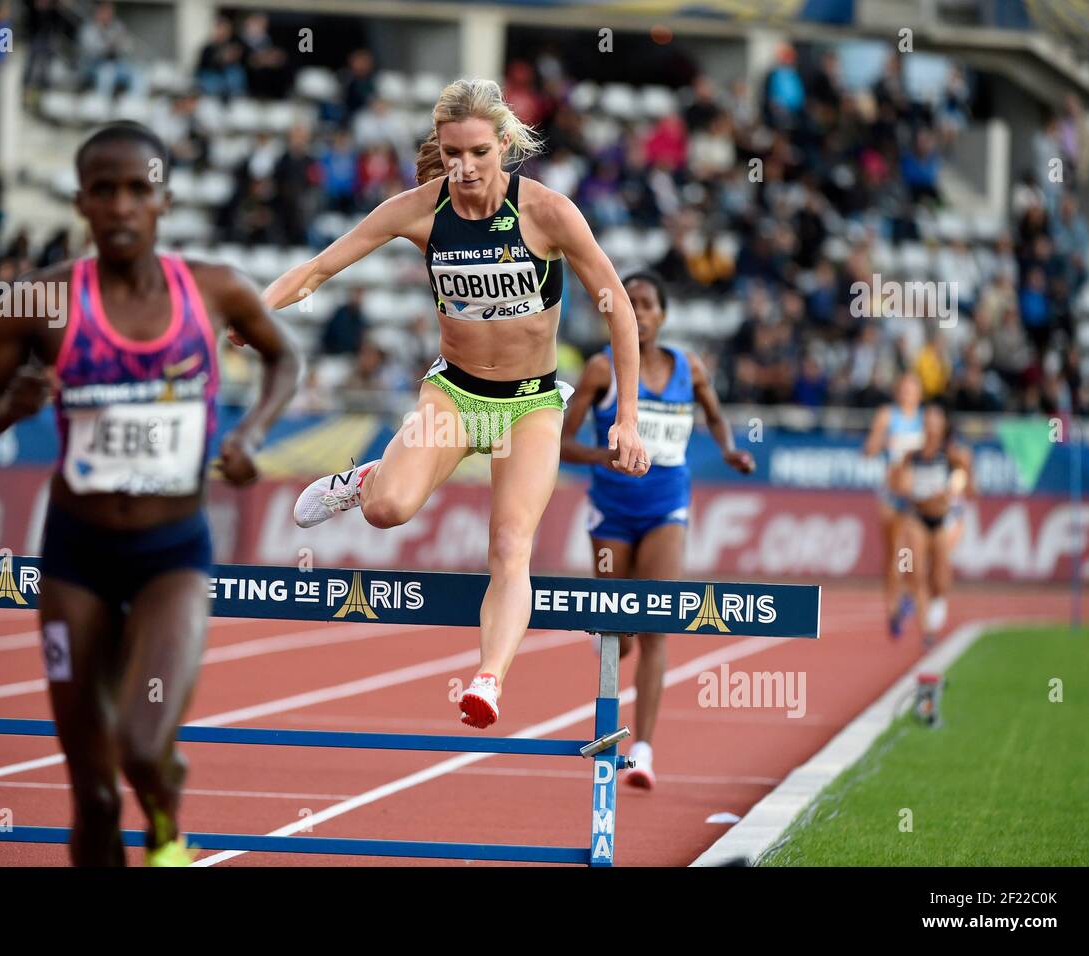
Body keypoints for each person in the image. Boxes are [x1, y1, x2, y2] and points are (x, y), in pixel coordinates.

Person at [0, 122, 302, 866]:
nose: (120, 207)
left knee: (142, 749)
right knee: (97, 798)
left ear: (164, 200)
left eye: (137, 189)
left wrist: (251, 435)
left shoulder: (212, 290)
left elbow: (284, 356)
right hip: (77, 560)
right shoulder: (40, 302)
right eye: (103, 191)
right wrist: (11, 407)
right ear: (80, 202)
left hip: (172, 557)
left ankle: (168, 832)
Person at [265, 78, 649, 729]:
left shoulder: (549, 213)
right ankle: (366, 480)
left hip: (529, 404)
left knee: (509, 545)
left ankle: (489, 681)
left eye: (477, 153)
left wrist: (629, 420)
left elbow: (621, 315)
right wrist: (246, 314)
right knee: (387, 508)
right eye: (451, 155)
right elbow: (320, 269)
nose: (465, 168)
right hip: (455, 393)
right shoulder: (419, 210)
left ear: (504, 144)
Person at [561, 270, 754, 788]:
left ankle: (641, 751)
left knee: (655, 625)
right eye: (631, 304)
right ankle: (613, 644)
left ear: (664, 315)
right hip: (612, 514)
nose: (640, 313)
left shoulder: (689, 368)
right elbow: (562, 444)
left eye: (648, 304)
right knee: (618, 633)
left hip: (668, 507)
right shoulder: (602, 371)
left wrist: (730, 449)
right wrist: (610, 453)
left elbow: (714, 417)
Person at [890, 405, 972, 647]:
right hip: (917, 517)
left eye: (936, 420)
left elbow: (970, 488)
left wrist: (962, 477)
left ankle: (929, 602)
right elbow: (902, 487)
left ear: (943, 425)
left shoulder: (952, 455)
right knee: (916, 574)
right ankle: (928, 633)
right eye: (927, 420)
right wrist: (921, 495)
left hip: (942, 520)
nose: (931, 425)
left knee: (940, 580)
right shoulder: (912, 455)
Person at [864, 372, 924, 638]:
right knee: (894, 556)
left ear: (920, 393)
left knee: (912, 556)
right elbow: (869, 449)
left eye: (912, 389)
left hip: (918, 497)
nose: (907, 393)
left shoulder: (927, 420)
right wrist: (883, 441)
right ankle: (891, 609)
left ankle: (910, 594)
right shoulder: (888, 416)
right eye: (903, 388)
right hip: (891, 494)